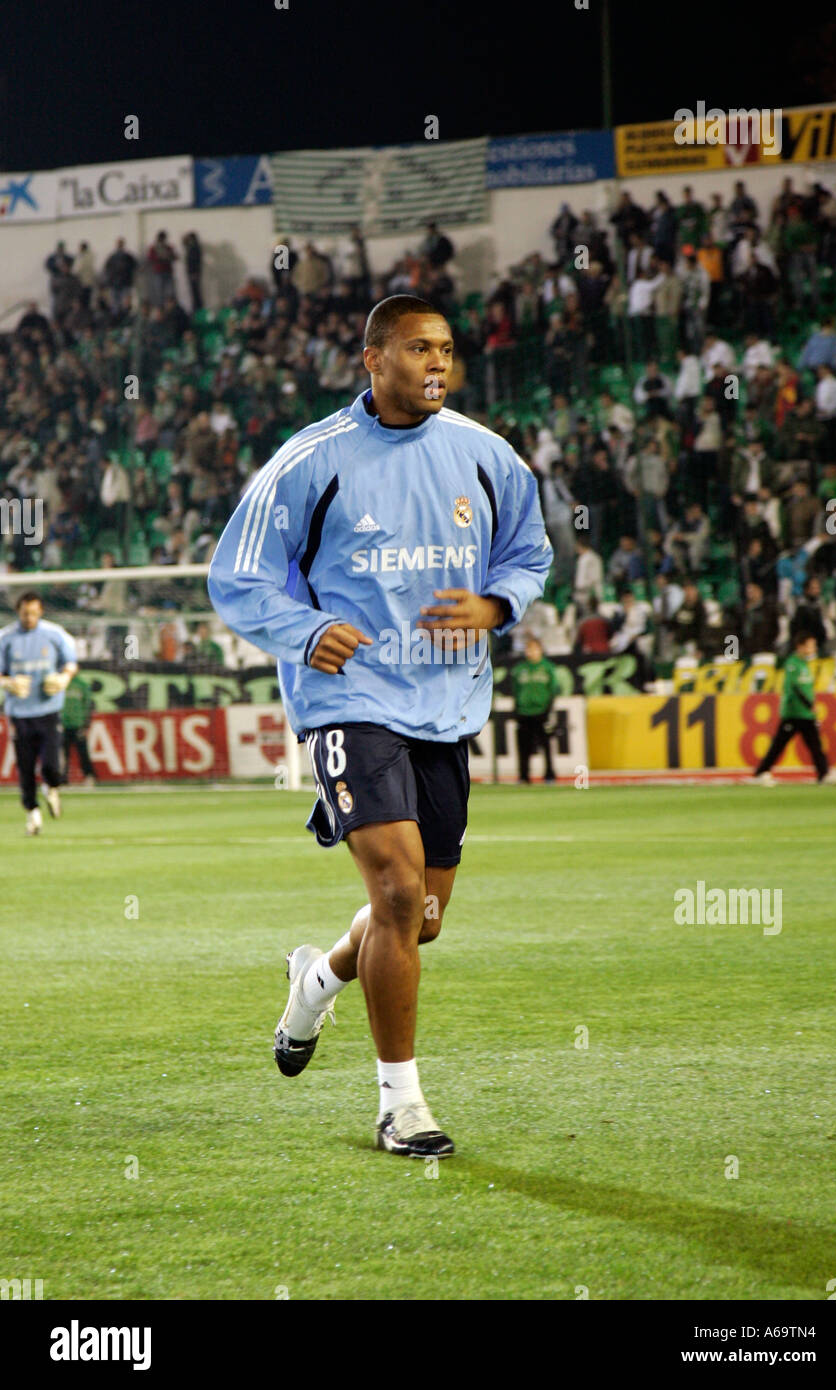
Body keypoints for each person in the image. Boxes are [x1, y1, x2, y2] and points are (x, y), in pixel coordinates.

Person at [208, 294, 551, 1160]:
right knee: (397, 893)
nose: (437, 364)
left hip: (445, 705)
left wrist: (495, 602)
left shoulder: (485, 456)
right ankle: (401, 1104)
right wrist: (307, 630)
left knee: (420, 916)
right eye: (417, 350)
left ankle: (316, 980)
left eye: (445, 350)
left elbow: (531, 551)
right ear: (374, 359)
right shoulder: (310, 461)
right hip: (348, 701)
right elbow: (236, 578)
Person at [0, 593, 78, 835]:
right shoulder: (6, 638)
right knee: (24, 767)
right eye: (25, 613)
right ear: (18, 611)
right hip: (20, 713)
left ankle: (52, 786)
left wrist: (64, 677)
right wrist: (7, 683)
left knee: (52, 766)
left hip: (48, 709)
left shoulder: (55, 634)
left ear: (41, 611)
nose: (29, 617)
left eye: (34, 613)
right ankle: (32, 815)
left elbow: (71, 662)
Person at [750, 632, 828, 785]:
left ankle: (823, 774)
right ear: (801, 646)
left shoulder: (804, 664)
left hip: (805, 714)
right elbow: (795, 688)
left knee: (814, 745)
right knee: (779, 745)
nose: (814, 649)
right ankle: (761, 771)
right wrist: (809, 704)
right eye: (811, 645)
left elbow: (805, 688)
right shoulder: (793, 663)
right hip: (793, 713)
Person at [511, 636, 558, 784]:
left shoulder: (548, 668)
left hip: (541, 711)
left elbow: (553, 689)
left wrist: (549, 709)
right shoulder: (519, 669)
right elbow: (515, 690)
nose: (530, 652)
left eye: (533, 648)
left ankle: (549, 774)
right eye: (528, 648)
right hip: (524, 712)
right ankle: (524, 776)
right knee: (523, 747)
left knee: (546, 746)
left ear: (540, 650)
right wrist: (517, 708)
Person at [61, 671, 97, 788]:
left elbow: (88, 705)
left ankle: (89, 776)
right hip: (62, 724)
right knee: (62, 754)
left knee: (83, 752)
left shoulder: (82, 685)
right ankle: (63, 779)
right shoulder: (60, 684)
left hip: (78, 724)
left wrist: (86, 724)